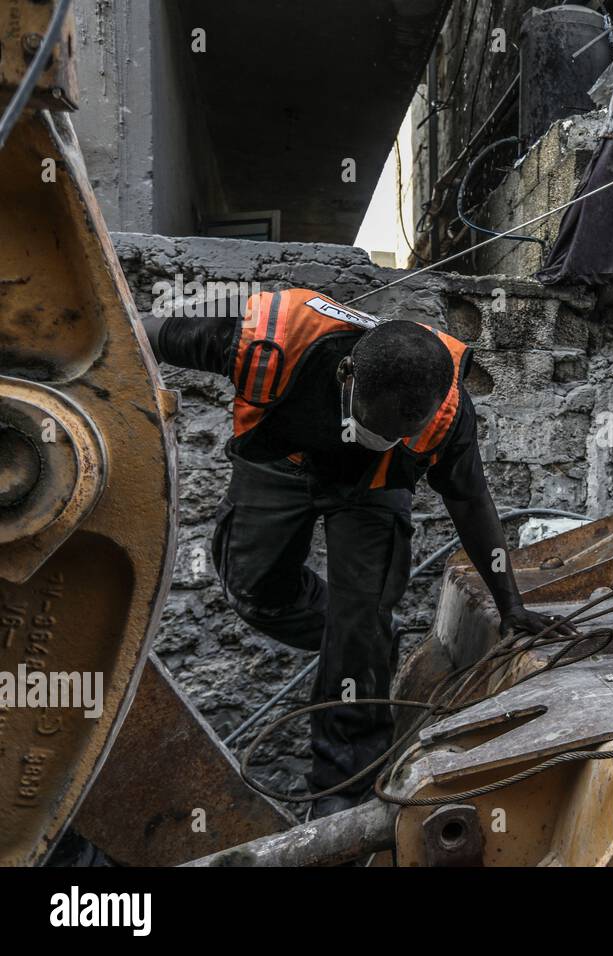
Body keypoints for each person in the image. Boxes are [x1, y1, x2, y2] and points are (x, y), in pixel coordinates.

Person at [143, 288, 574, 817]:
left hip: (373, 489)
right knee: (255, 589)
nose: (381, 436)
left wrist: (510, 606)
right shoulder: (268, 343)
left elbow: (472, 502)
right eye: (374, 427)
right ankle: (362, 635)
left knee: (361, 624)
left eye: (398, 433)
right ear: (348, 375)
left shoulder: (446, 414)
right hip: (282, 461)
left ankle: (344, 789)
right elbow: (141, 333)